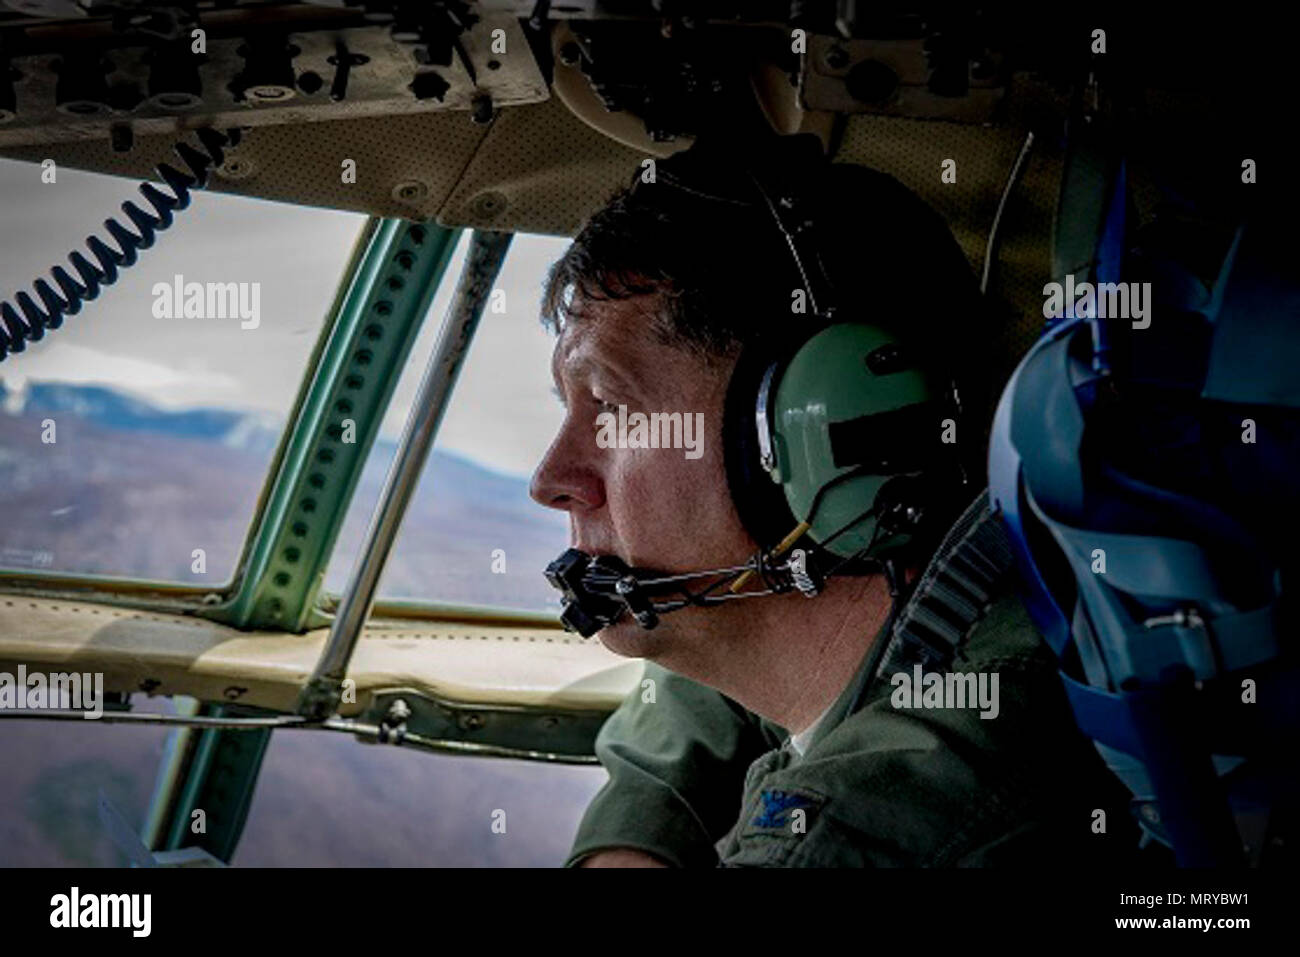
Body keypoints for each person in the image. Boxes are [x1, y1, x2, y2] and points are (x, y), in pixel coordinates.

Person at [528, 134, 1137, 867]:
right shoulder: (974, 609)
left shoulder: (900, 817)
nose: (550, 477)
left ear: (821, 430)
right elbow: (706, 687)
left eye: (614, 409)